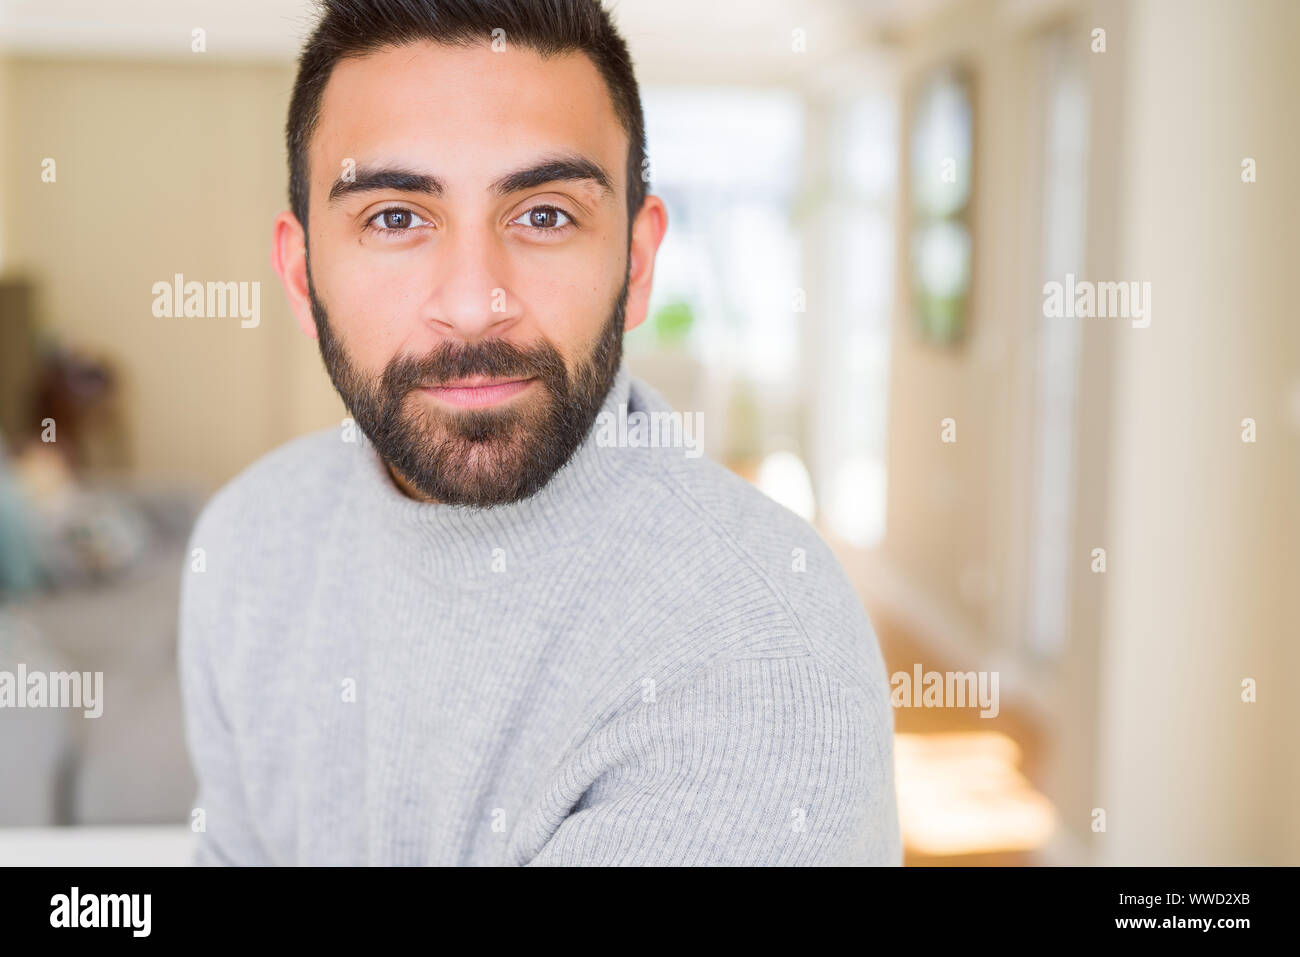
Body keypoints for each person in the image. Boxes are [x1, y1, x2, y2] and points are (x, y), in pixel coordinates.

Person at [179, 0, 901, 865]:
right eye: (396, 218)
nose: (475, 304)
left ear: (634, 264)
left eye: (545, 214)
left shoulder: (762, 656)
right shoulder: (246, 544)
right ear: (301, 279)